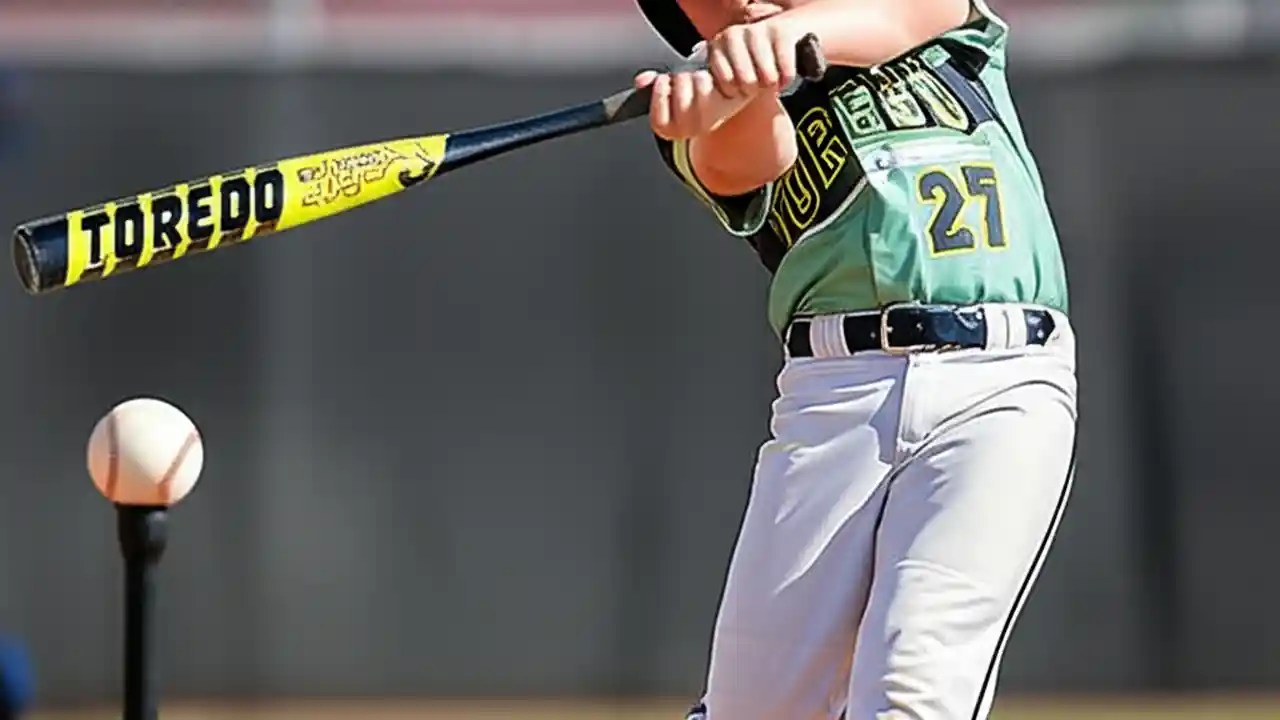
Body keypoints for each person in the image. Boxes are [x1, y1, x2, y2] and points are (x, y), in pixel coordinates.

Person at [632, 0, 1077, 718]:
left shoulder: (938, 29)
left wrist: (772, 39)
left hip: (999, 381)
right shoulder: (702, 102)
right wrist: (732, 91)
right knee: (754, 708)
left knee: (912, 691)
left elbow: (907, 14)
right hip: (833, 399)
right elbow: (751, 156)